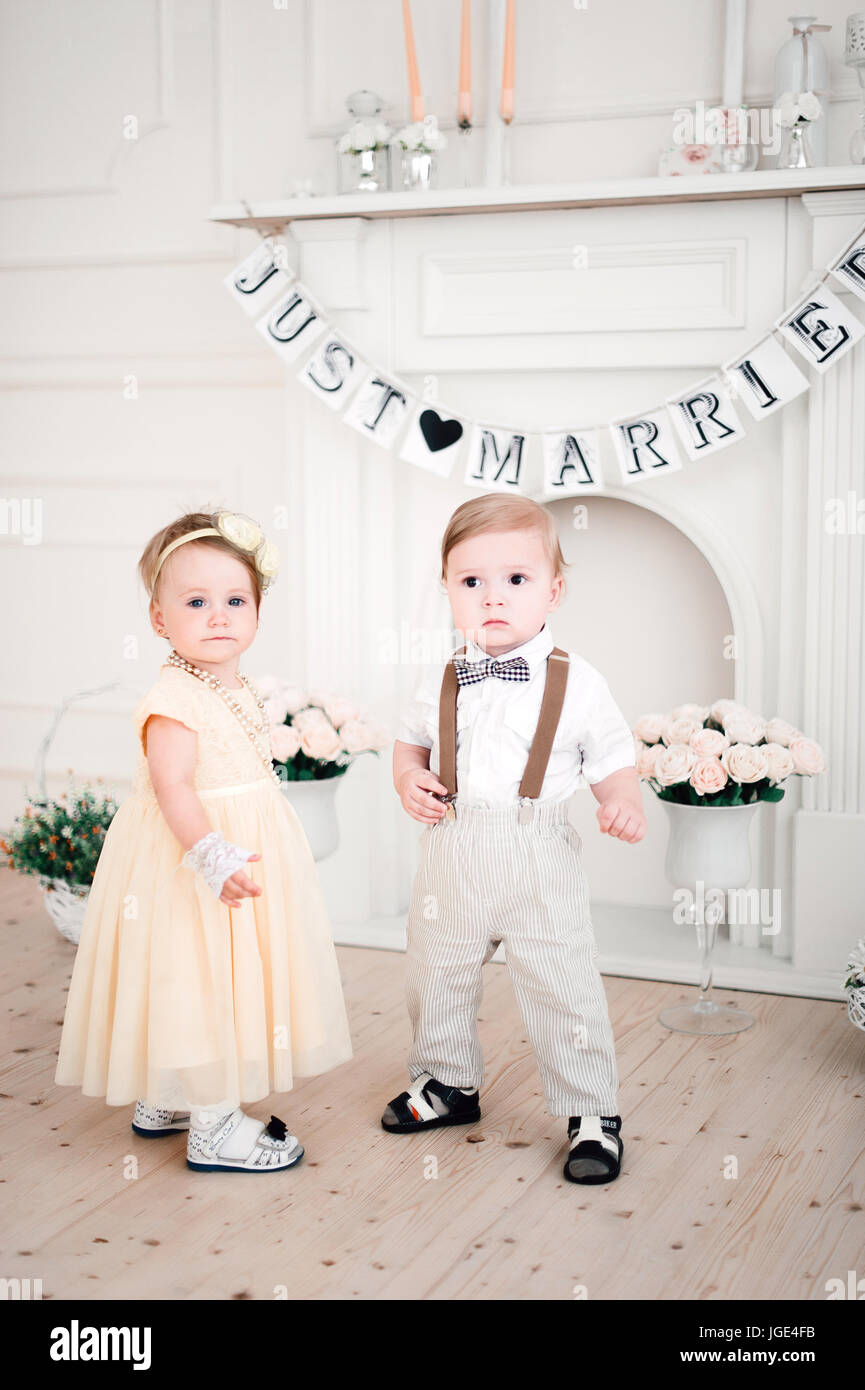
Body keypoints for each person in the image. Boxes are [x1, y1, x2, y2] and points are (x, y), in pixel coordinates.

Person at [55, 509, 353, 1172]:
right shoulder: (172, 698)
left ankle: (168, 1092)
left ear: (255, 610)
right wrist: (212, 855)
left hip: (232, 851)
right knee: (205, 977)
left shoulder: (230, 683)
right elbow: (174, 789)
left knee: (207, 973)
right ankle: (214, 1123)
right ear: (159, 618)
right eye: (195, 602)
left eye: (234, 600)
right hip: (191, 858)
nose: (217, 616)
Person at [382, 493, 646, 1184]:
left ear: (553, 590)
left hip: (536, 853)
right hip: (452, 849)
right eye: (471, 582)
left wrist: (618, 801)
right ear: (447, 590)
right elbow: (409, 743)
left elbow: (613, 757)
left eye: (515, 580)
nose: (491, 598)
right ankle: (446, 1083)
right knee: (435, 974)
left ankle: (591, 1111)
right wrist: (407, 778)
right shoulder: (442, 674)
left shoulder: (578, 681)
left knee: (563, 983)